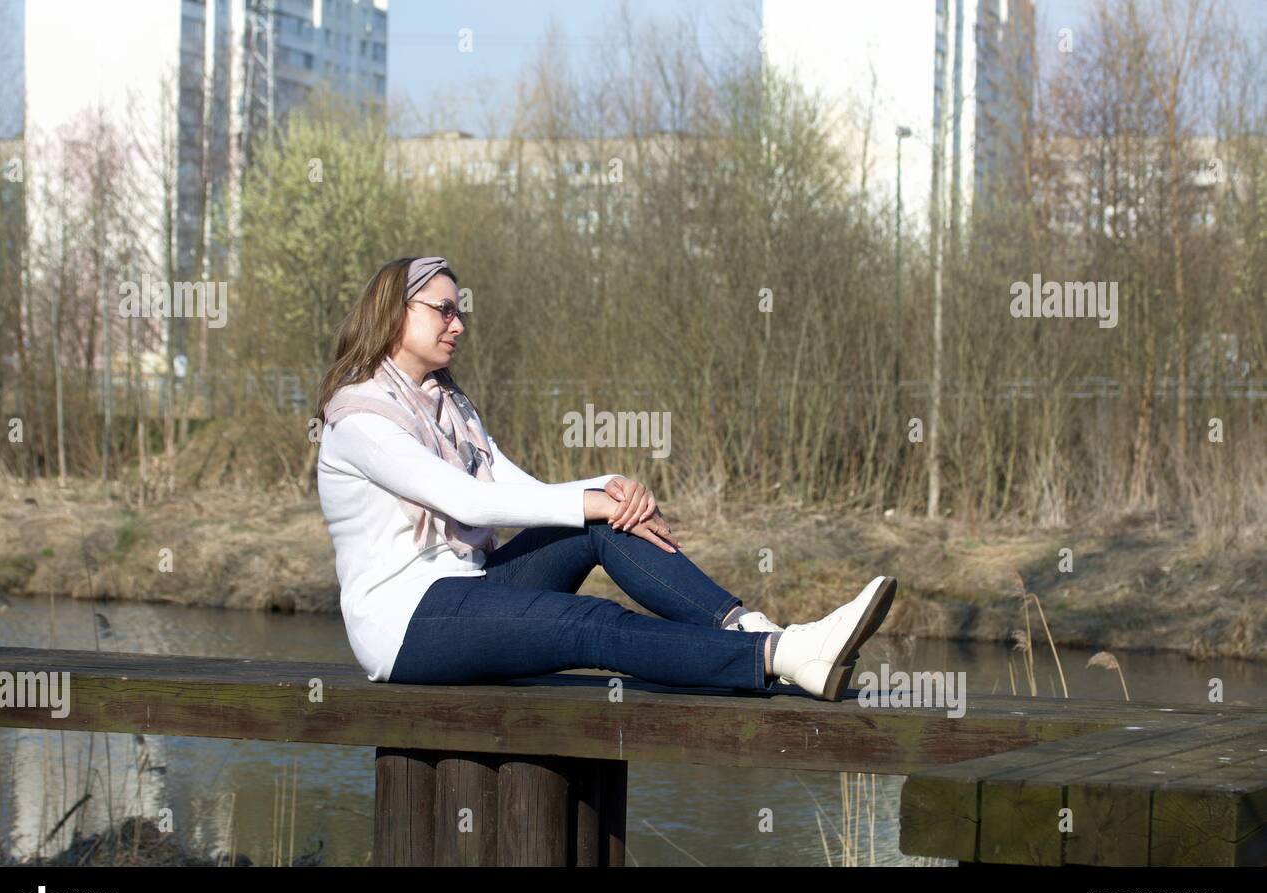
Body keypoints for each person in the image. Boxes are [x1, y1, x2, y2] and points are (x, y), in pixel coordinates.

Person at [315, 256, 896, 700]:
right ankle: (779, 655)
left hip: (473, 586)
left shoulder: (449, 406)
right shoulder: (360, 415)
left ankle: (755, 628)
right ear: (396, 313)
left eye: (459, 310)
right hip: (407, 625)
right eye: (442, 309)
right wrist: (592, 498)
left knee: (604, 526)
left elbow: (522, 492)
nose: (458, 323)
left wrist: (612, 487)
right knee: (591, 624)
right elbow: (468, 501)